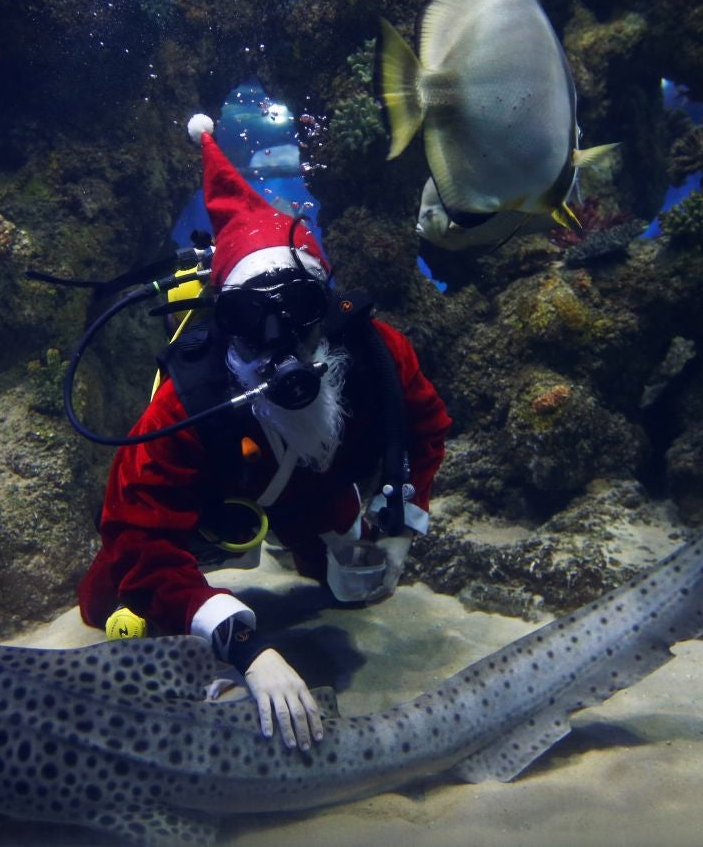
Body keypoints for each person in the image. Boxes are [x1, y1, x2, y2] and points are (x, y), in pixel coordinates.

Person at [78, 113, 451, 751]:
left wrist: (404, 520)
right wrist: (241, 642)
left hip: (314, 484)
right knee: (107, 601)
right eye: (252, 319)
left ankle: (319, 543)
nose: (278, 346)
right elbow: (137, 533)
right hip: (216, 496)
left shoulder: (379, 356)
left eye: (299, 312)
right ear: (225, 321)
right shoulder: (181, 409)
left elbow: (424, 431)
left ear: (326, 308)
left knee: (350, 585)